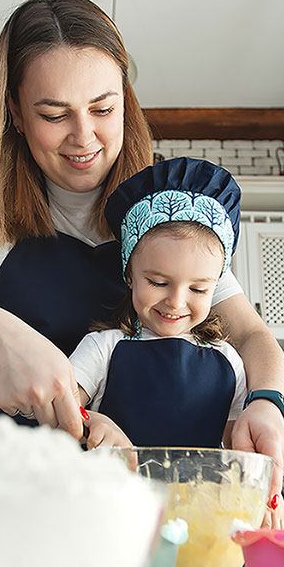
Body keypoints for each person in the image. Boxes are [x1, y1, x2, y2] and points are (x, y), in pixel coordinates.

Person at [0, 0, 284, 524]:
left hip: (102, 516)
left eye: (103, 109)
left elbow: (251, 335)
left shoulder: (167, 212)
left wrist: (267, 403)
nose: (83, 137)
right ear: (16, 113)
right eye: (54, 114)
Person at [70, 157, 247, 451]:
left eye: (198, 289)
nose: (176, 302)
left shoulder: (229, 361)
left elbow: (237, 452)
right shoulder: (103, 347)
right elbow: (59, 412)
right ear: (130, 276)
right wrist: (93, 423)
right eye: (158, 283)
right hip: (110, 481)